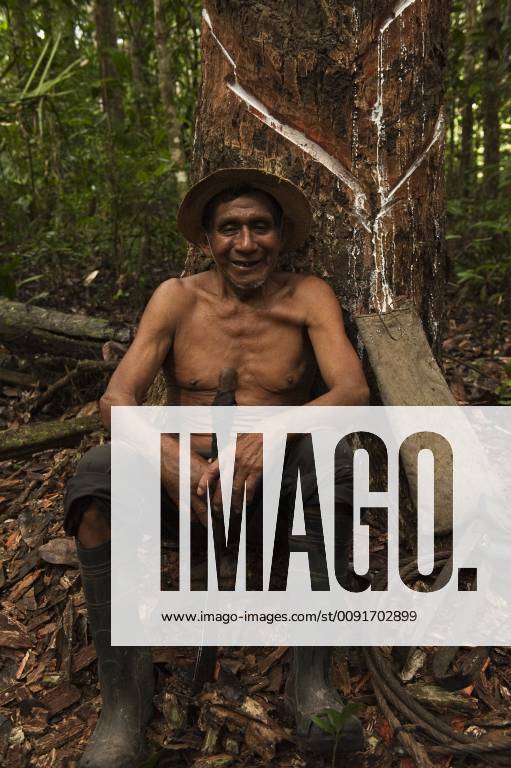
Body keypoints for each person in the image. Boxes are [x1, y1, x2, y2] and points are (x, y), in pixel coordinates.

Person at [64, 167, 370, 767]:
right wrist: (167, 456)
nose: (246, 243)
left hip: (270, 484)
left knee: (335, 461)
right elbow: (116, 398)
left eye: (259, 227)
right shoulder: (177, 298)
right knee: (94, 484)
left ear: (281, 235)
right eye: (229, 228)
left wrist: (274, 433)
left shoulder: (308, 296)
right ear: (208, 239)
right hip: (186, 480)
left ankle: (312, 683)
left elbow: (352, 391)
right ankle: (123, 703)